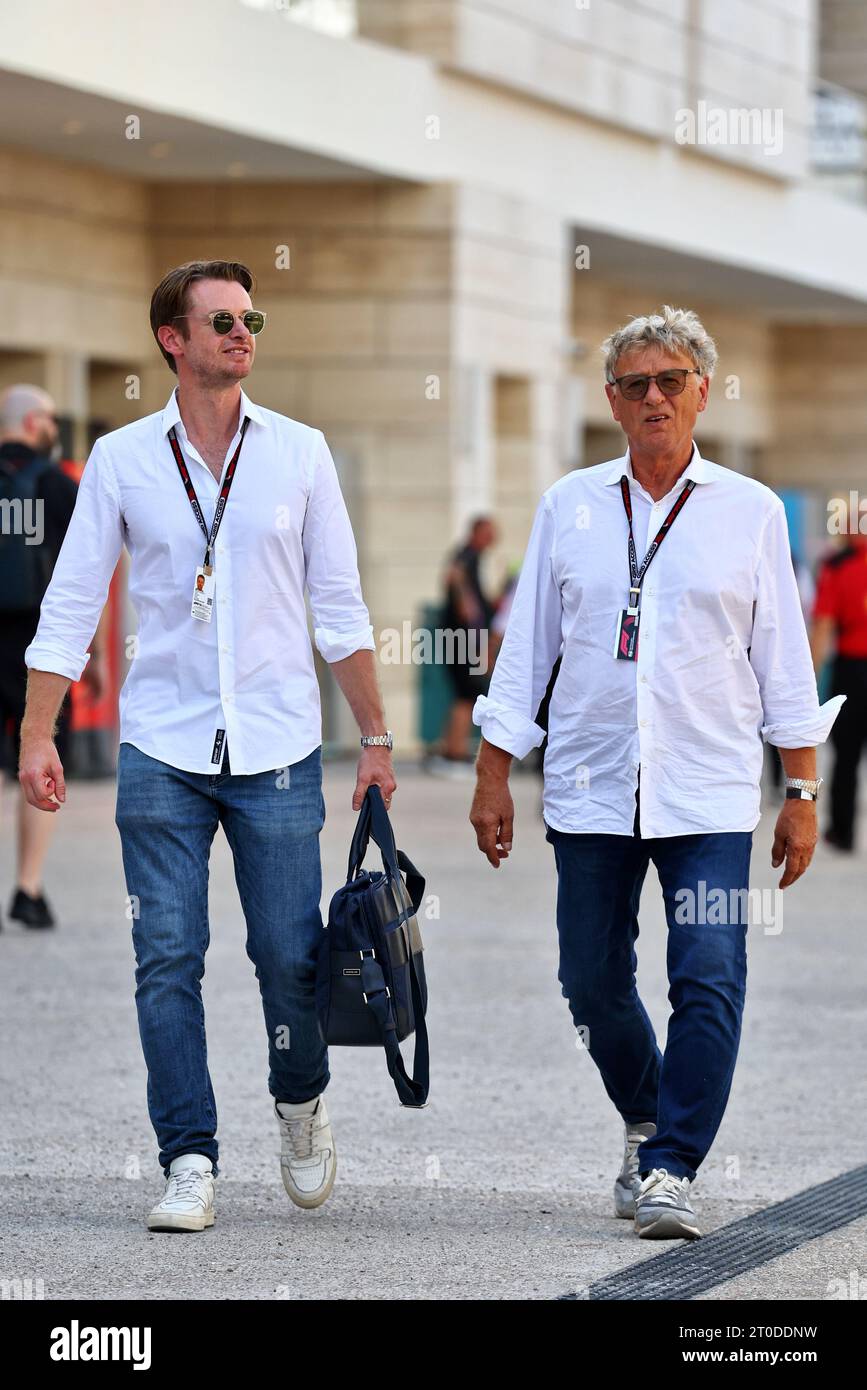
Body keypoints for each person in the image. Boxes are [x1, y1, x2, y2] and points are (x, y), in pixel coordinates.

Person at [19, 259, 396, 1233]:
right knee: (166, 957)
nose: (241, 332)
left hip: (275, 748)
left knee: (286, 958)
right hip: (162, 749)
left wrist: (379, 738)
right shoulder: (121, 460)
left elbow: (342, 609)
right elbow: (67, 604)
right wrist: (36, 730)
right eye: (219, 319)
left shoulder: (302, 454)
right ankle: (189, 1156)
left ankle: (301, 1098)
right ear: (172, 341)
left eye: (249, 317)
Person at [469, 306, 843, 1240]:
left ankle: (672, 1165)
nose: (652, 398)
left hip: (709, 790)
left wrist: (799, 792)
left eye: (669, 381)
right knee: (588, 980)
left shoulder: (749, 512)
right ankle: (645, 1115)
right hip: (591, 785)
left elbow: (783, 663)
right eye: (633, 384)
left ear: (701, 393)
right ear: (610, 400)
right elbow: (527, 654)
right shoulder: (570, 505)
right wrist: (489, 771)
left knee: (708, 974)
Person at [0, 385, 105, 930]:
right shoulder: (57, 486)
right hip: (36, 644)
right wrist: (99, 659)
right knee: (37, 753)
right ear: (36, 422)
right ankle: (27, 887)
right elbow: (85, 581)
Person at [810, 522, 867, 851]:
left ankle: (842, 832)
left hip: (852, 672)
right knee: (845, 757)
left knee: (846, 757)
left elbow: (823, 627)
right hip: (850, 667)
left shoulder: (835, 566)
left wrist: (809, 681)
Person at [429, 516, 498, 774]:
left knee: (463, 694)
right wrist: (466, 603)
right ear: (476, 533)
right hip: (461, 637)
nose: (492, 538)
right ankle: (454, 755)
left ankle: (450, 750)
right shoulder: (466, 555)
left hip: (462, 636)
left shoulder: (474, 558)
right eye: (489, 532)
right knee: (466, 694)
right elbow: (454, 576)